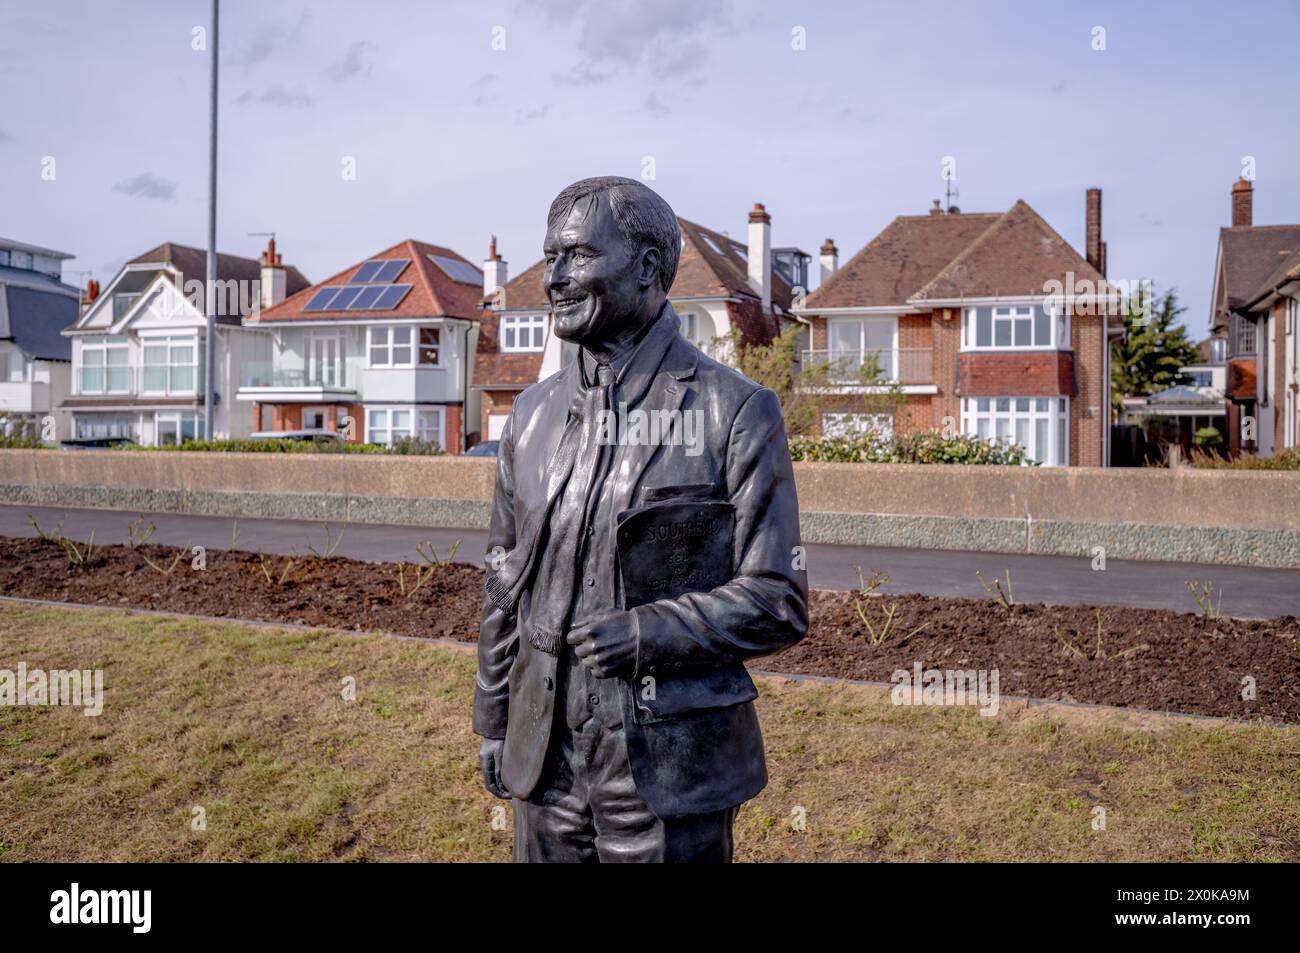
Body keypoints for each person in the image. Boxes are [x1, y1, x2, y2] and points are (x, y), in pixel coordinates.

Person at [473, 175, 808, 862]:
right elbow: (503, 580)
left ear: (649, 267)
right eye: (550, 258)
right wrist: (495, 716)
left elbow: (778, 598)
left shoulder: (734, 411)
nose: (555, 279)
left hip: (664, 766)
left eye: (576, 256)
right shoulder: (531, 417)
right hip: (546, 762)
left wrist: (649, 632)